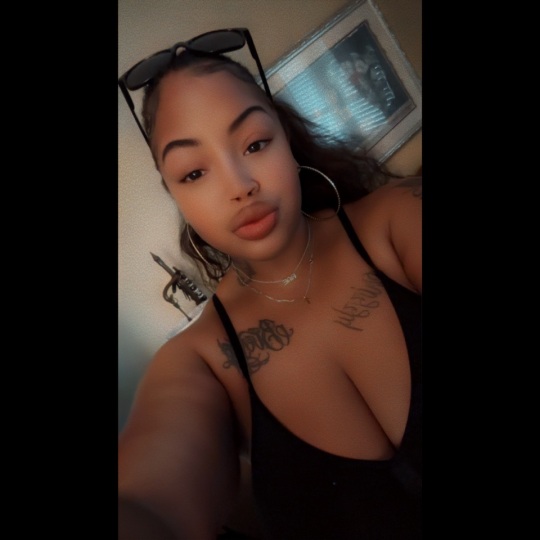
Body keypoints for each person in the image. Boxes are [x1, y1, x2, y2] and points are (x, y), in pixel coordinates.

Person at [118, 28, 421, 540]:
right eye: (193, 173)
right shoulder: (199, 361)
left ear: (286, 139)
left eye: (255, 143)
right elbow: (150, 501)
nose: (241, 186)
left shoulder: (399, 221)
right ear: (174, 194)